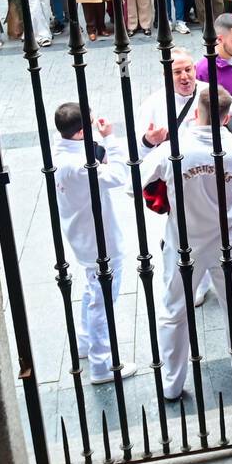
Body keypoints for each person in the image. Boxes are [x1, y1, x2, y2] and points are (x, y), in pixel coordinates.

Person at [141, 85, 232, 401]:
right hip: (228, 240)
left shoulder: (174, 149)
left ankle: (171, 382)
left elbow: (137, 183)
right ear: (224, 119)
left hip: (184, 242)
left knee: (174, 311)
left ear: (196, 113)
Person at [53, 102, 145, 385]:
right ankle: (103, 364)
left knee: (94, 291)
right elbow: (118, 176)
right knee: (103, 301)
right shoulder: (80, 165)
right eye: (90, 126)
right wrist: (110, 139)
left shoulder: (59, 151)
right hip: (99, 241)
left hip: (81, 235)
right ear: (79, 133)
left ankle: (83, 342)